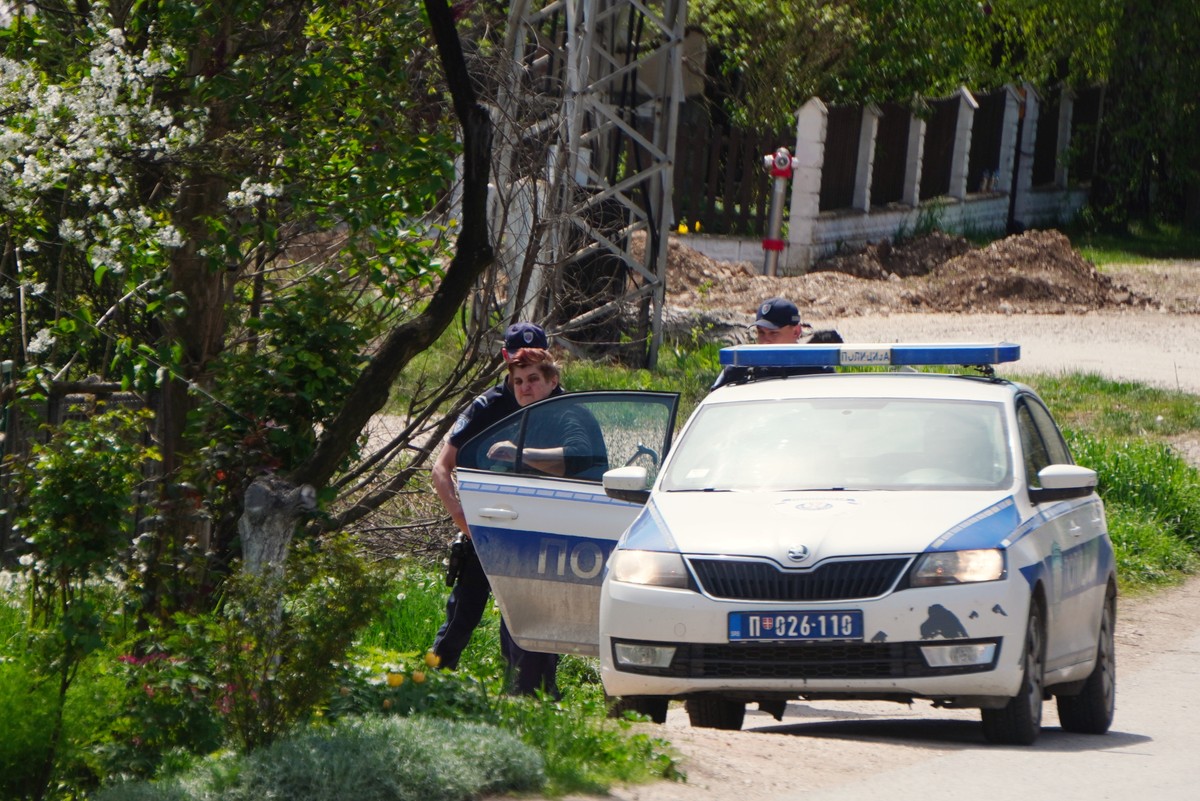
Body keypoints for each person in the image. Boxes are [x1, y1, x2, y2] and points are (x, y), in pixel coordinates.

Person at [430, 322, 562, 697]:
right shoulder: (488, 406)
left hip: (535, 533)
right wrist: (463, 521)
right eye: (517, 364)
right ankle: (430, 687)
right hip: (486, 530)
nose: (526, 381)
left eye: (536, 360)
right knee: (461, 619)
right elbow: (441, 468)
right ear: (506, 359)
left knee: (530, 623)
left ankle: (535, 696)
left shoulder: (561, 403)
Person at [711, 297, 843, 388]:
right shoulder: (740, 369)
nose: (765, 341)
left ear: (796, 332)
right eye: (761, 333)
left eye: (774, 333)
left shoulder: (817, 372)